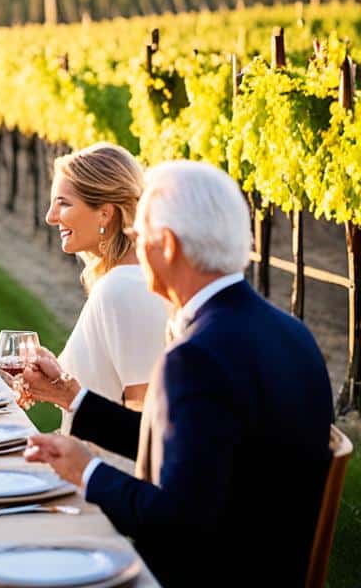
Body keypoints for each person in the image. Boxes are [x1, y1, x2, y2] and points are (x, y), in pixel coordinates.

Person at [23, 161, 333, 588]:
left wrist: (88, 473)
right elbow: (192, 447)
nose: (134, 250)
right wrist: (73, 399)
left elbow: (177, 524)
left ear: (166, 245)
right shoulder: (296, 336)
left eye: (139, 238)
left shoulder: (195, 357)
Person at [19, 143, 168, 431]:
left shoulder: (124, 287)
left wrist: (64, 394)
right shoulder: (126, 280)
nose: (50, 216)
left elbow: (146, 429)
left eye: (63, 202)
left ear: (105, 213)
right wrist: (56, 378)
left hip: (101, 472)